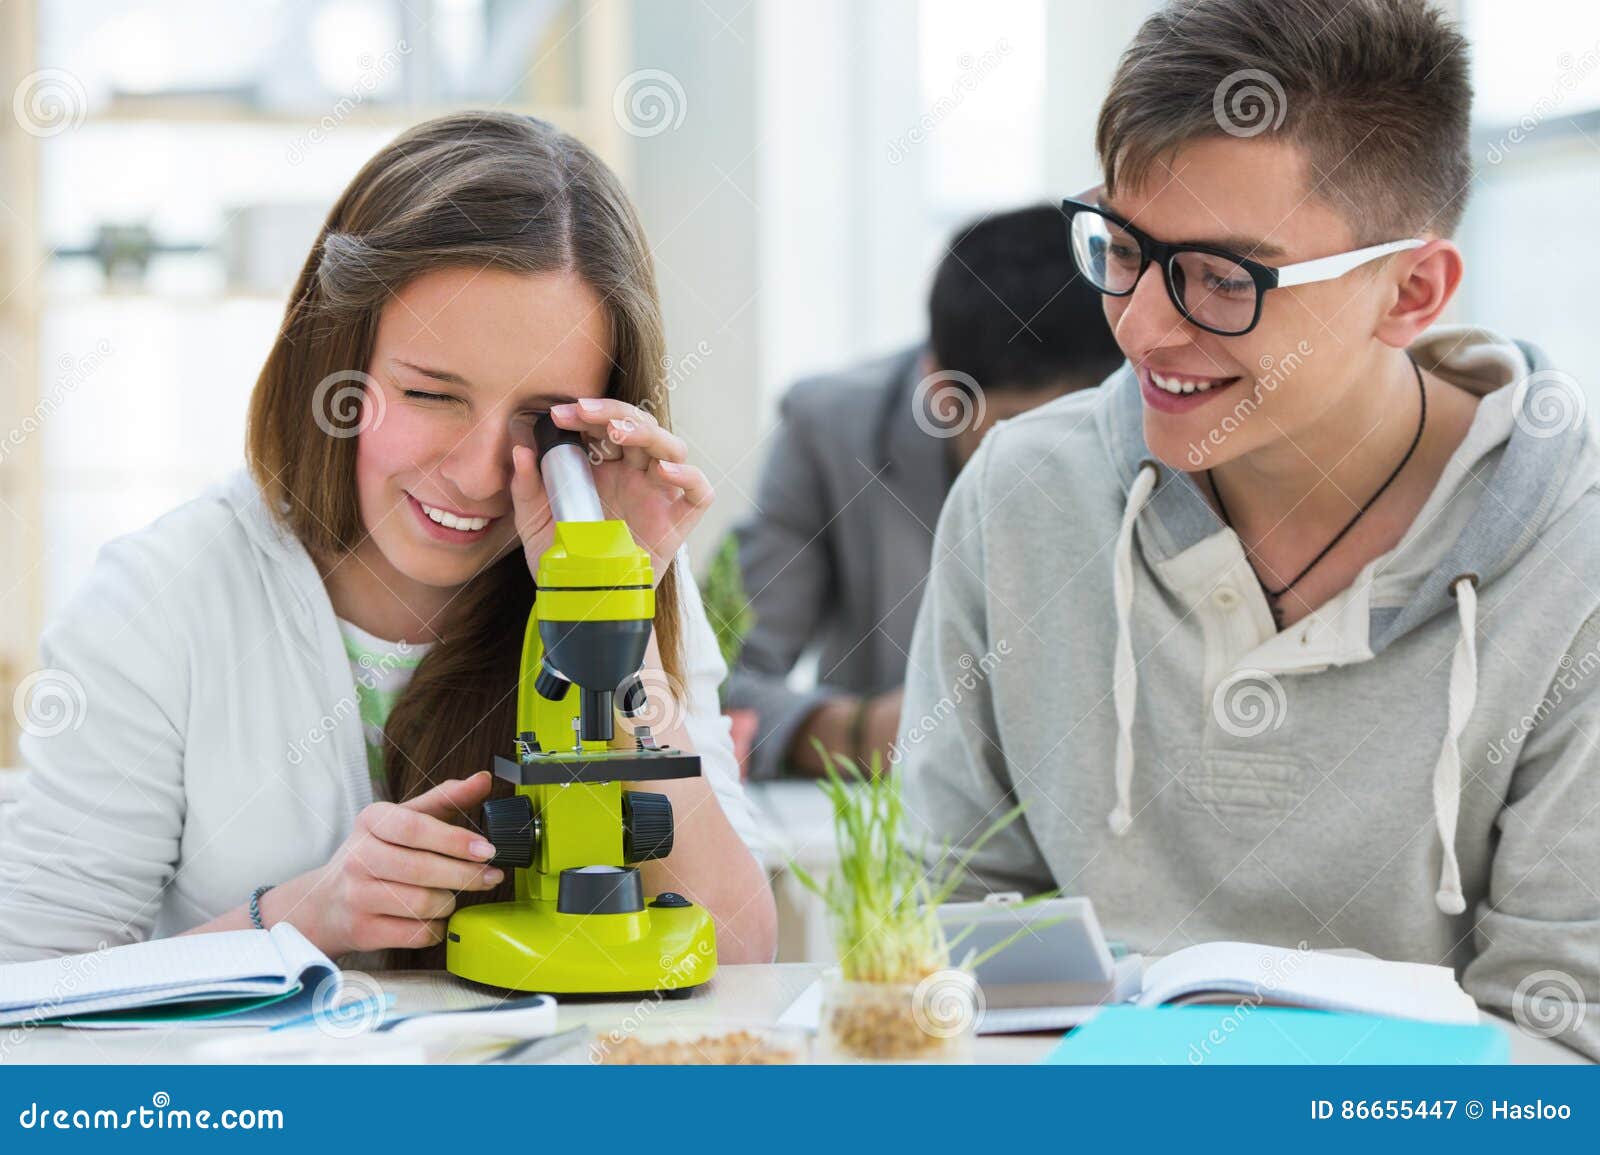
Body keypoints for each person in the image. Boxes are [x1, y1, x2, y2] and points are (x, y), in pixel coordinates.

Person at [900, 0, 1600, 1060]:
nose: (1140, 326)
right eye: (1123, 248)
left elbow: (1562, 1043)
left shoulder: (1575, 560)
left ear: (1410, 291)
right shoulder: (1021, 494)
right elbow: (951, 945)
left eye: (1224, 278)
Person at [0, 112, 777, 969]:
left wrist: (616, 625)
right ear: (334, 363)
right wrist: (306, 913)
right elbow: (29, 996)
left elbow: (738, 954)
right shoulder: (161, 600)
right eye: (432, 395)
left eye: (538, 422)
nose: (479, 474)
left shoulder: (608, 577)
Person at [727, 206, 1123, 780]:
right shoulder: (828, 430)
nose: (1053, 461)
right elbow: (709, 688)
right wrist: (866, 733)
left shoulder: (1148, 419)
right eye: (1016, 427)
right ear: (943, 396)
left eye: (1074, 424)